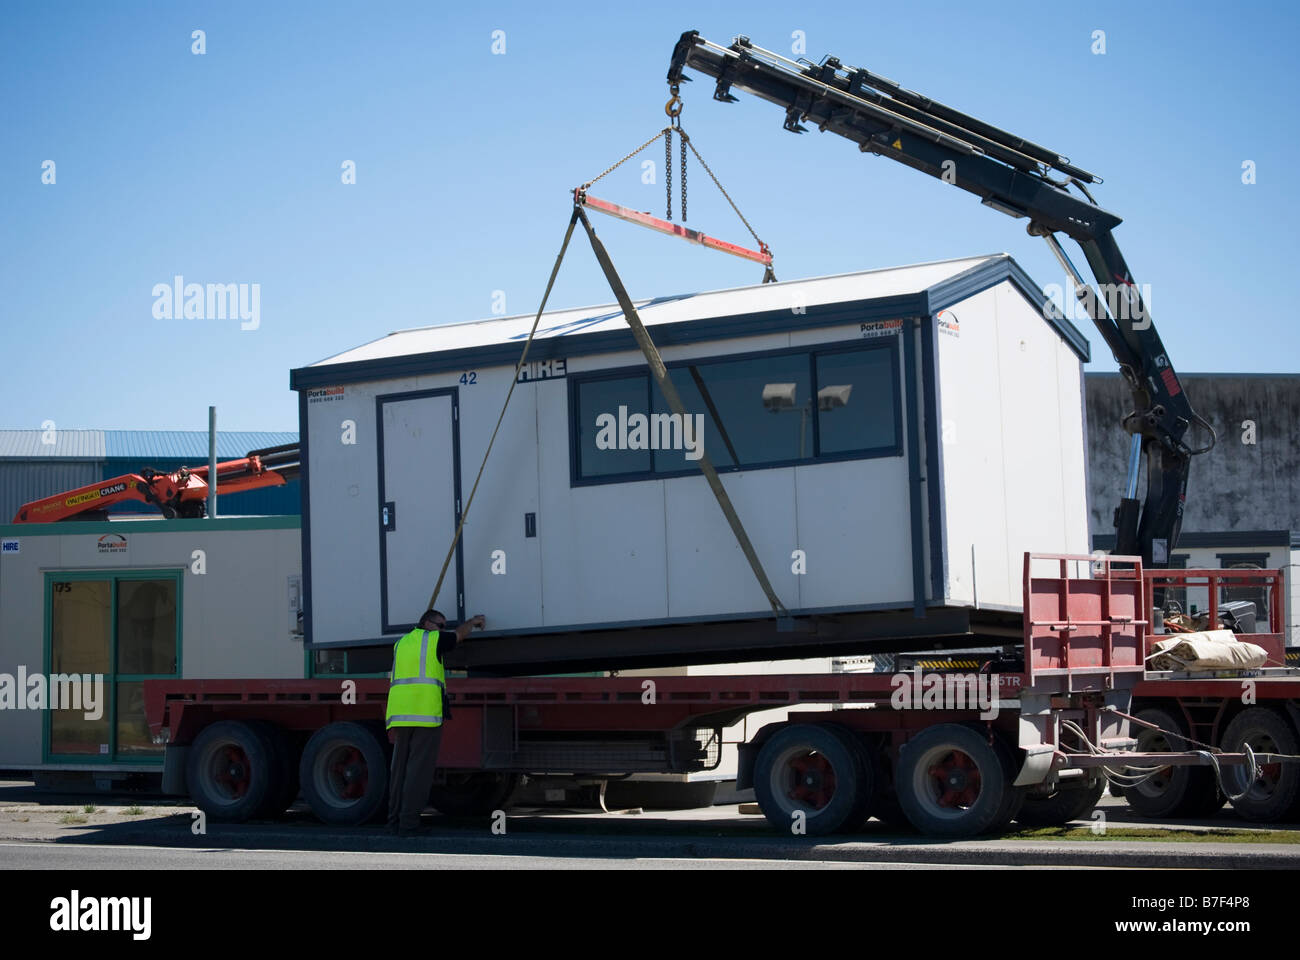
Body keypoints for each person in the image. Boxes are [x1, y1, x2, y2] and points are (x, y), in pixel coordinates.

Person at [386, 608, 485, 835]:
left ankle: (393, 821)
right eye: (441, 625)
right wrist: (473, 622)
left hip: (400, 714)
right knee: (418, 772)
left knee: (399, 771)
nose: (443, 629)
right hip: (424, 715)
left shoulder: (401, 643)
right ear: (428, 624)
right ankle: (408, 824)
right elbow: (458, 635)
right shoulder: (432, 640)